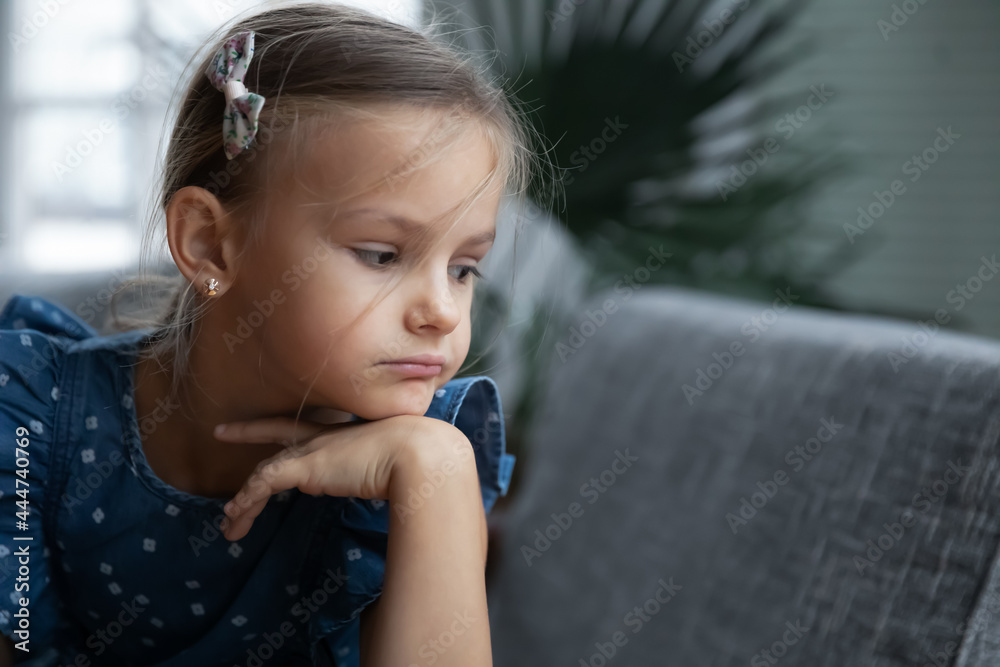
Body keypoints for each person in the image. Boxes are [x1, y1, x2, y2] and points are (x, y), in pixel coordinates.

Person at [0, 1, 554, 663]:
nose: (442, 310)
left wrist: (434, 471)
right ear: (209, 243)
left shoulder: (422, 462)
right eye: (382, 255)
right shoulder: (30, 419)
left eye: (465, 268)